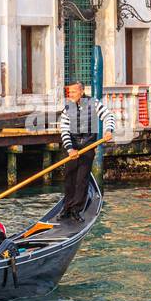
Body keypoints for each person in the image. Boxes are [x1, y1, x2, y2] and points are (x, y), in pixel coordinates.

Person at [57, 81, 114, 221]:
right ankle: (67, 208)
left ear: (82, 92)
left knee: (82, 179)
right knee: (70, 178)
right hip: (72, 146)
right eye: (69, 93)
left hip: (88, 145)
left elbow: (108, 116)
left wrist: (108, 130)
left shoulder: (94, 104)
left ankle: (76, 210)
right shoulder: (67, 109)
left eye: (74, 92)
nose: (71, 95)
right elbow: (64, 130)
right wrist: (70, 149)